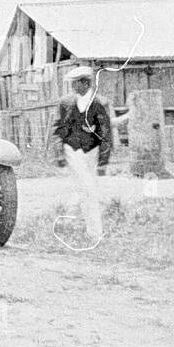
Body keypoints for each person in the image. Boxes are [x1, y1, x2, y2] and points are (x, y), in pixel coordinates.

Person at [51, 66, 112, 240]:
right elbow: (59, 128)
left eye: (76, 83)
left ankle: (70, 223)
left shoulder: (99, 103)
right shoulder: (66, 102)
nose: (73, 87)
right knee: (88, 190)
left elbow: (106, 133)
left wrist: (103, 161)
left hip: (91, 151)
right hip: (72, 150)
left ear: (86, 83)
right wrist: (59, 154)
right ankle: (95, 233)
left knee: (82, 189)